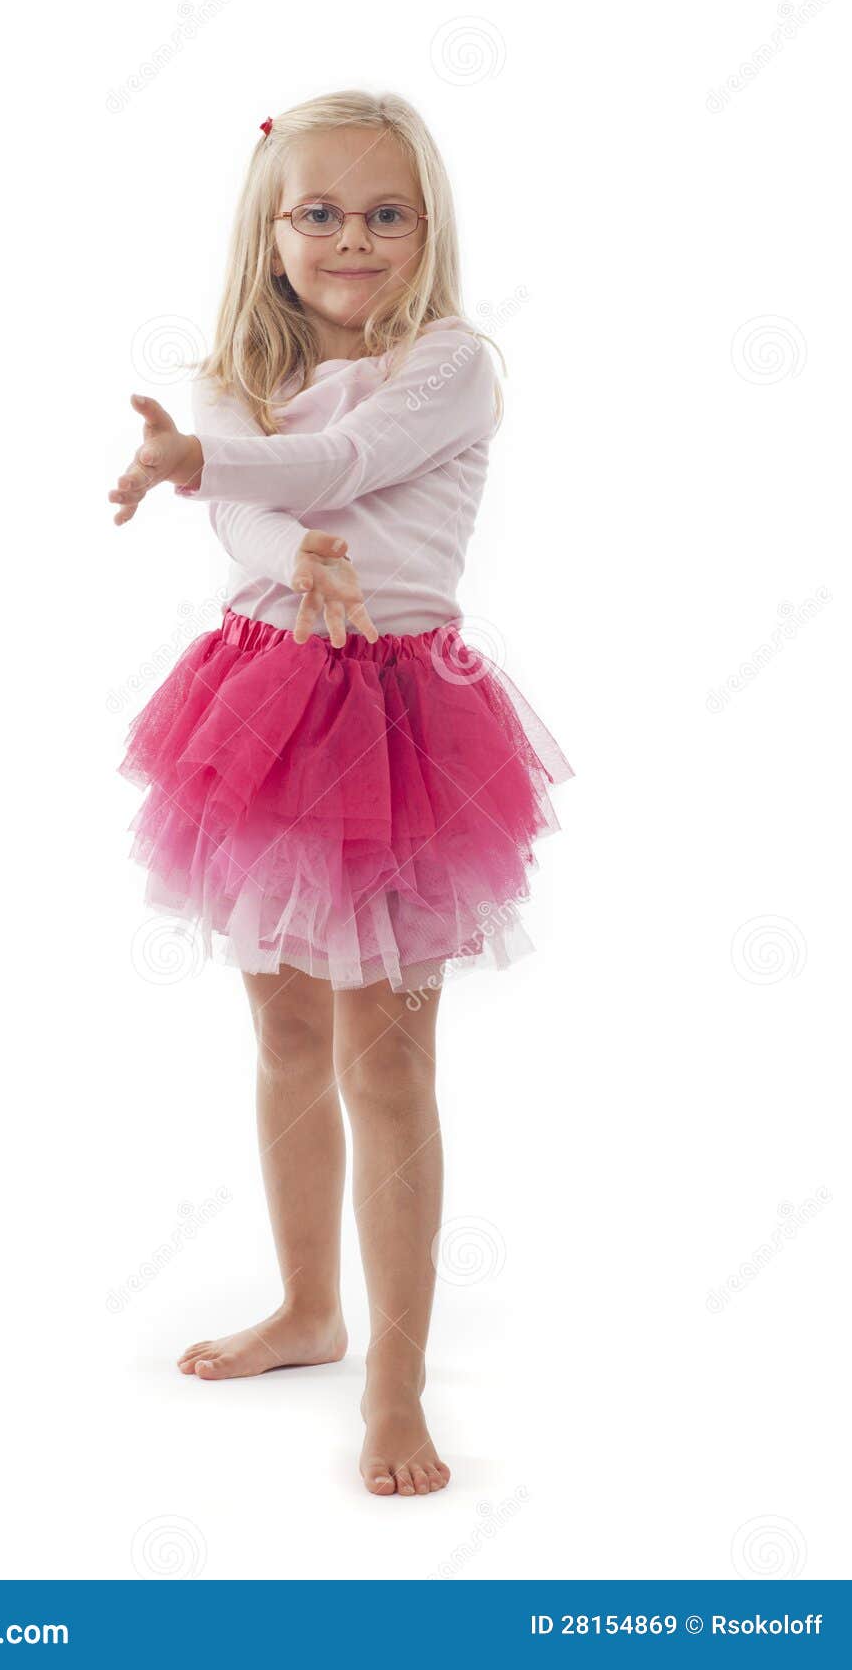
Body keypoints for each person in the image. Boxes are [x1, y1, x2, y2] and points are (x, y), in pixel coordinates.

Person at [109, 89, 573, 1497]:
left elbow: (345, 463)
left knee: (389, 1055)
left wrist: (208, 470)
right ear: (271, 227)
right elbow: (257, 513)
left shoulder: (451, 363)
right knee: (289, 1027)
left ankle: (395, 1377)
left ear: (428, 227)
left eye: (387, 213)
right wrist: (238, 496)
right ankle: (309, 1307)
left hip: (405, 718)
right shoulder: (230, 369)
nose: (354, 238)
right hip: (260, 707)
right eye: (321, 212)